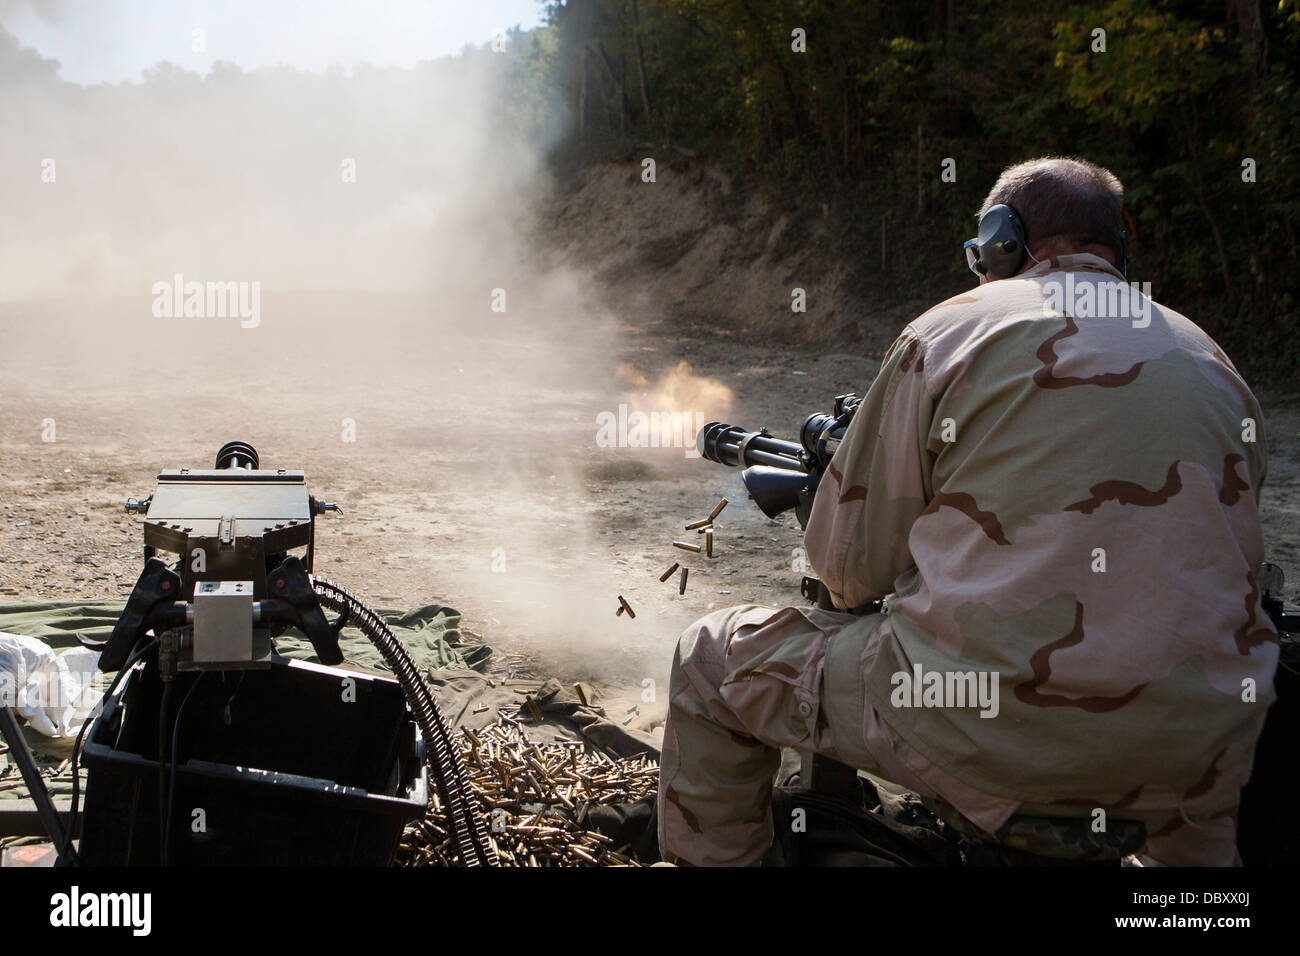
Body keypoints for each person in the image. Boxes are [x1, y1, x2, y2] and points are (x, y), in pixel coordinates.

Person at [657, 156, 1279, 866]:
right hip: (1198, 748)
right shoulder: (1210, 360)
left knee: (708, 661)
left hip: (987, 733)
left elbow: (846, 573)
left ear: (1002, 240)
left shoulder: (951, 331)